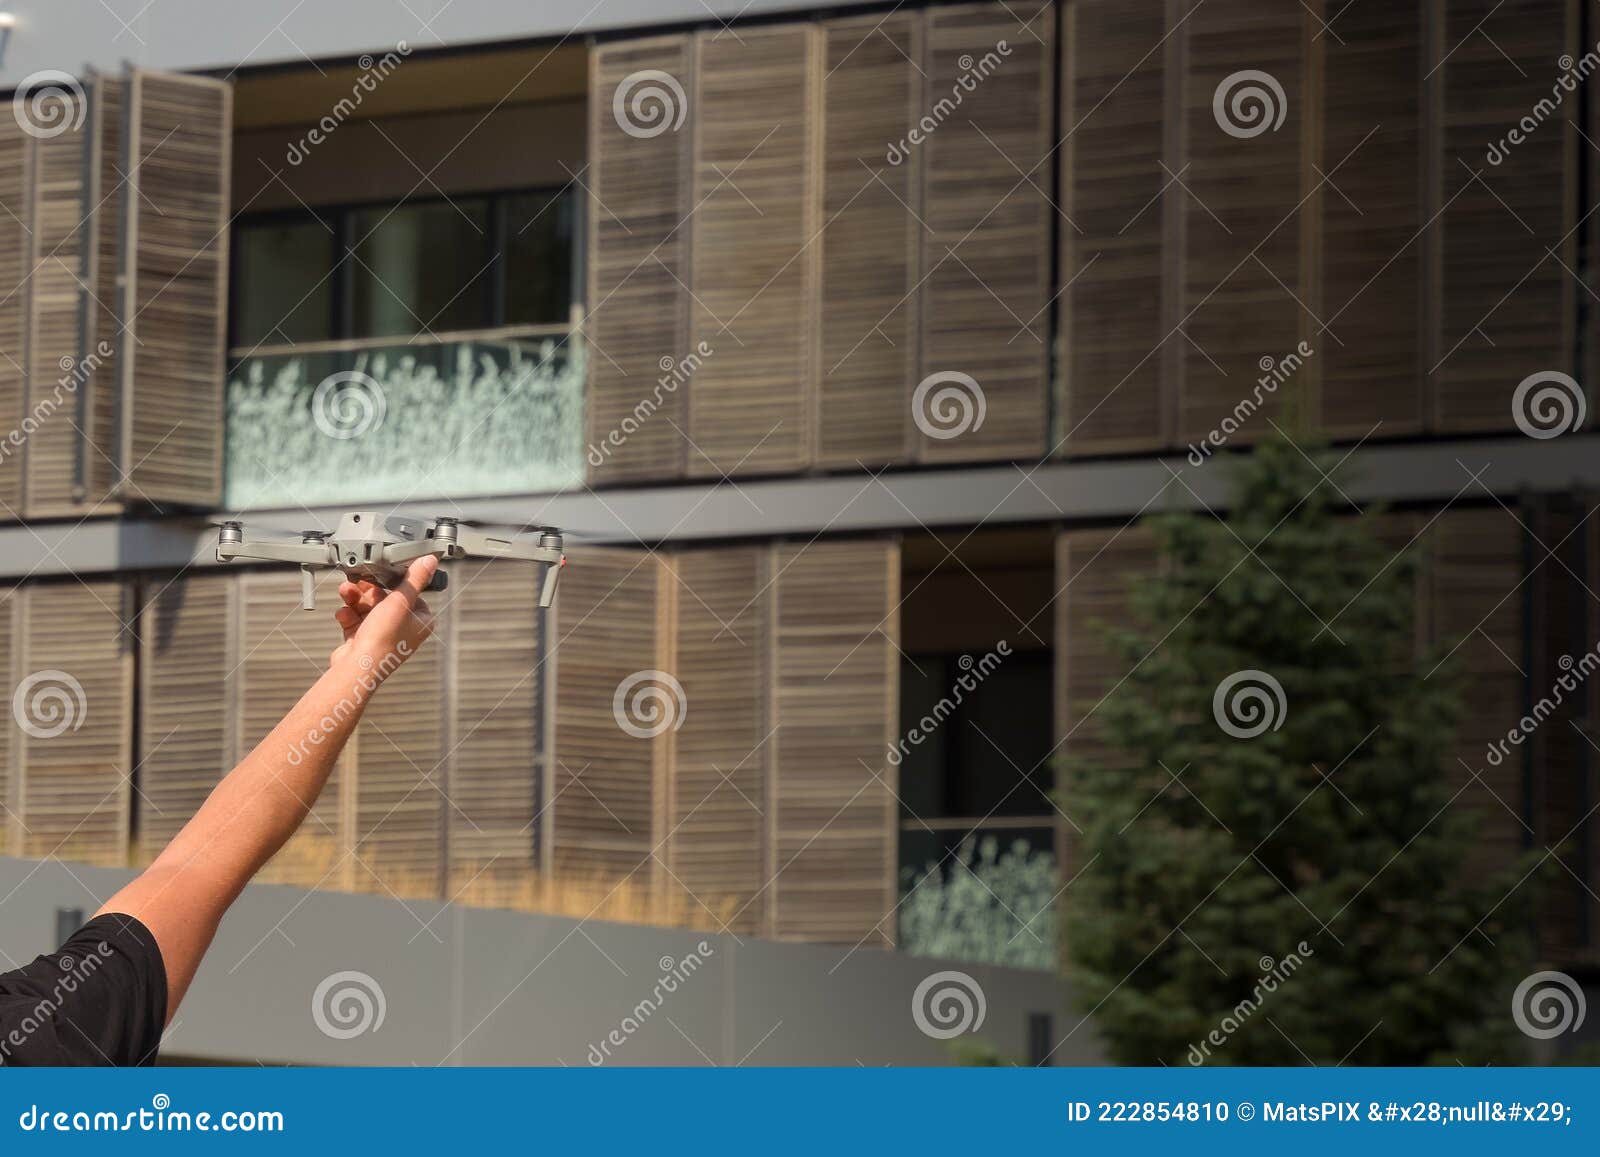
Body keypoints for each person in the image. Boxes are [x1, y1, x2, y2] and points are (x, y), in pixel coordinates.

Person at [0, 555, 439, 1066]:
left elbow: (197, 867)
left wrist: (359, 665)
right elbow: (198, 866)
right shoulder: (35, 1039)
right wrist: (362, 666)